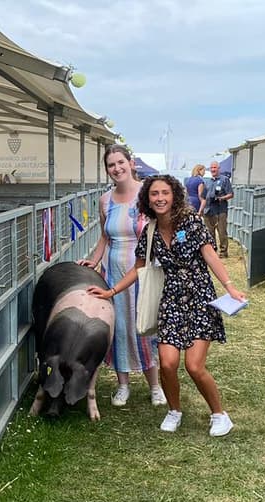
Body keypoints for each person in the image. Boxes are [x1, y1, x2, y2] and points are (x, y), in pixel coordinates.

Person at [88, 175, 247, 437]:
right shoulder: (150, 231)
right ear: (147, 199)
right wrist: (111, 291)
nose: (160, 198)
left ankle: (220, 415)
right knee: (168, 363)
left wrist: (229, 286)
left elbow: (209, 254)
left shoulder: (191, 222)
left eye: (164, 193)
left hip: (199, 300)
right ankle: (174, 411)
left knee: (194, 366)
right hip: (171, 301)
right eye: (154, 194)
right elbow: (138, 268)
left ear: (174, 195)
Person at [78, 144, 165, 408]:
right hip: (113, 272)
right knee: (119, 328)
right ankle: (123, 384)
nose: (116, 168)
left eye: (120, 162)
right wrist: (93, 260)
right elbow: (105, 235)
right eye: (111, 165)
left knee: (146, 325)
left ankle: (155, 385)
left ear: (130, 163)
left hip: (144, 271)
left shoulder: (147, 194)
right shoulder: (105, 200)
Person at [202, 161, 233, 257]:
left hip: (220, 210)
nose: (213, 170)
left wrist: (221, 198)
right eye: (211, 168)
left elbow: (230, 194)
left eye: (215, 167)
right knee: (210, 233)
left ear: (219, 168)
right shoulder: (207, 181)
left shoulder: (225, 180)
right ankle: (212, 251)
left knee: (222, 231)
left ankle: (223, 252)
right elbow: (203, 196)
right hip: (208, 210)